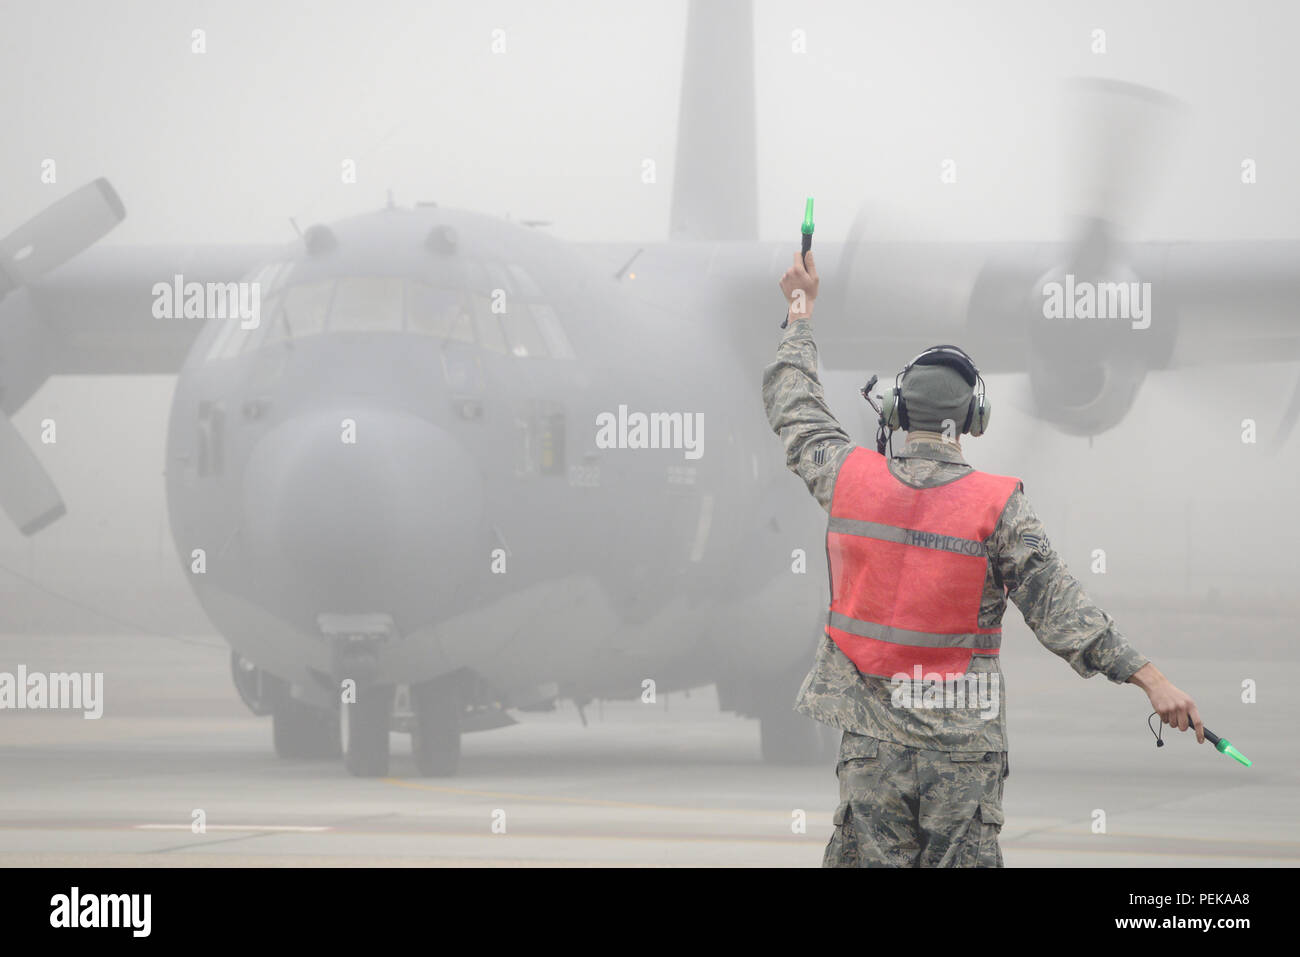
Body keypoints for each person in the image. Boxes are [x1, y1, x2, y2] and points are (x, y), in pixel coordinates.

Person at [762, 250, 1205, 868]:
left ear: (894, 411)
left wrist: (800, 307)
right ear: (973, 419)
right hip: (960, 752)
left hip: (872, 748)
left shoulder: (849, 480)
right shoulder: (996, 509)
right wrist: (1151, 681)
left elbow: (796, 408)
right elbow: (1062, 609)